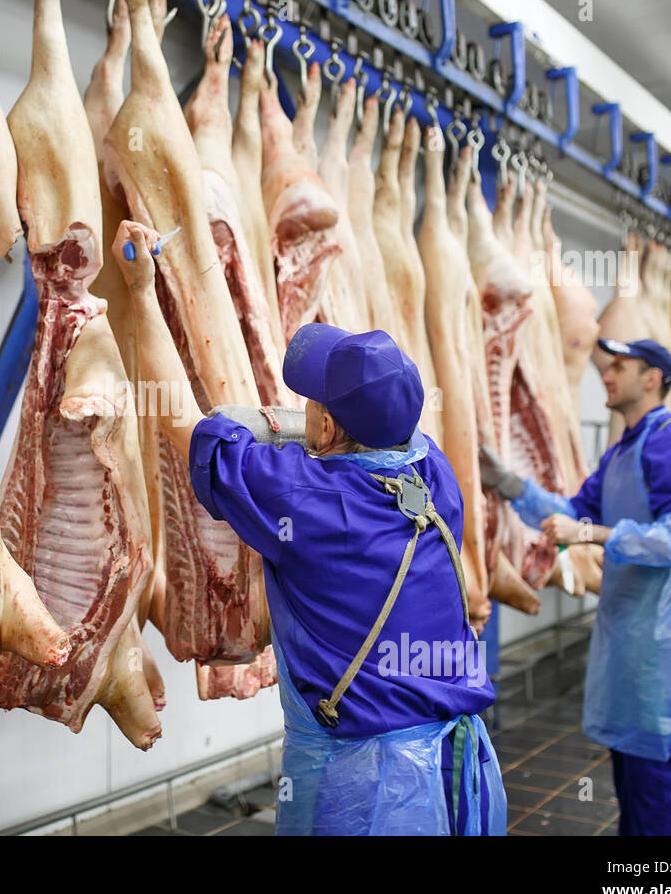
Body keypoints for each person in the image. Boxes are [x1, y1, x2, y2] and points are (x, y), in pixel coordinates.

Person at [115, 220, 506, 836]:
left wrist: (139, 293)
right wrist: (303, 427)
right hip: (463, 775)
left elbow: (180, 424)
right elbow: (361, 443)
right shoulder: (435, 472)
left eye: (314, 404)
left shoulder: (308, 500)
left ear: (326, 430)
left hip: (372, 789)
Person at [481, 337, 671, 836]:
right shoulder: (622, 453)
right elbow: (574, 512)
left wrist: (588, 535)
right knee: (628, 758)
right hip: (628, 626)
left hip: (659, 630)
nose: (606, 377)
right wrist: (509, 484)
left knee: (652, 760)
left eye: (619, 368)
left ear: (651, 378)